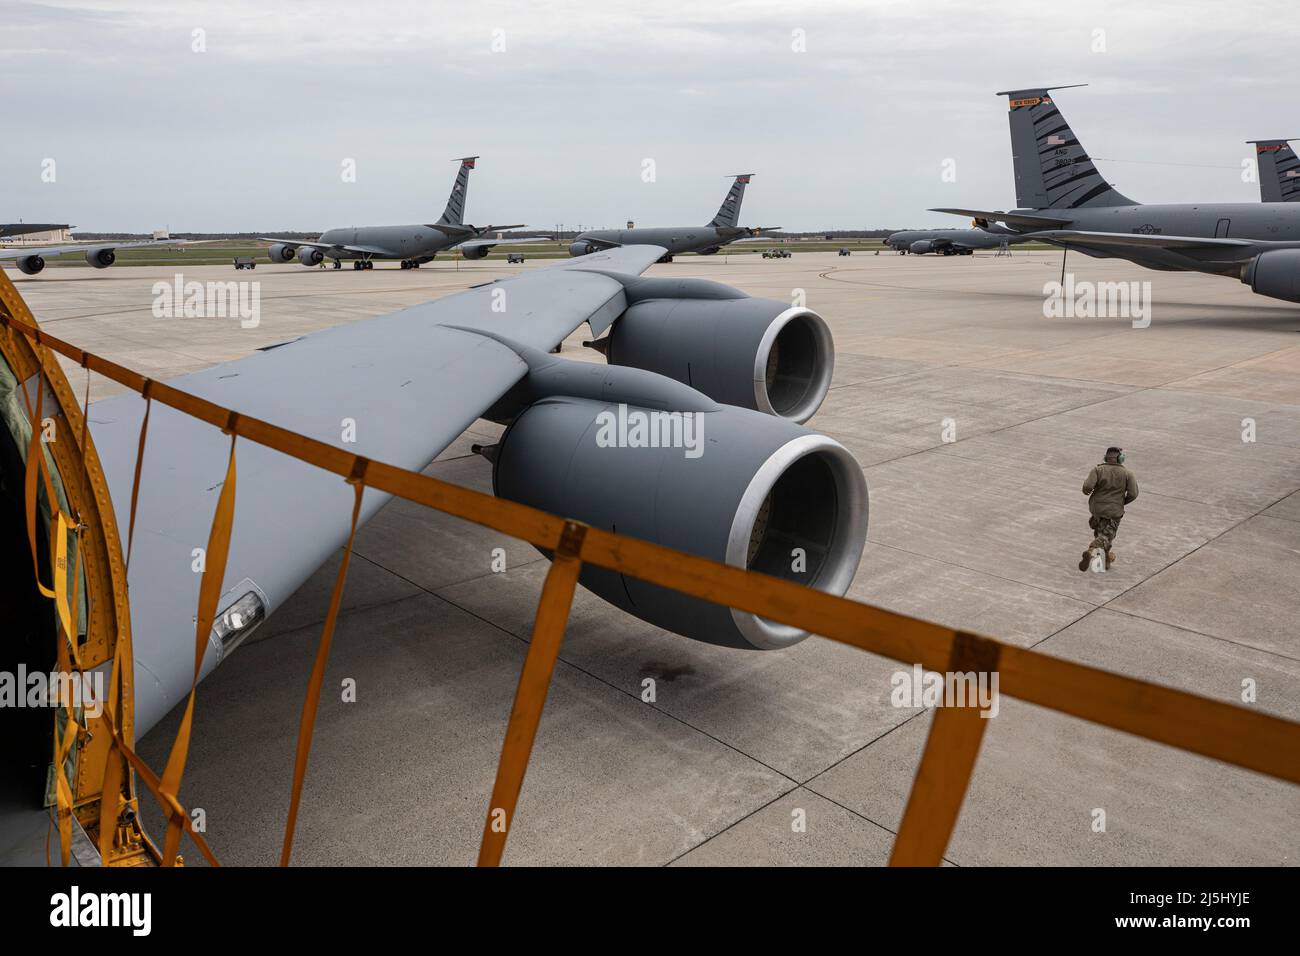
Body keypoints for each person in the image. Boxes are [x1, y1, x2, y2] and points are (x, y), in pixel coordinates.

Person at [1079, 446, 1138, 571]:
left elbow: (1087, 487)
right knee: (1106, 537)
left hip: (1097, 509)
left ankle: (1105, 562)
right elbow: (1133, 494)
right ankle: (1090, 551)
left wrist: (1088, 491)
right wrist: (1121, 502)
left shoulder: (1097, 470)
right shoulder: (1128, 474)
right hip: (1113, 511)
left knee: (1101, 534)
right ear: (1121, 459)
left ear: (1106, 458)